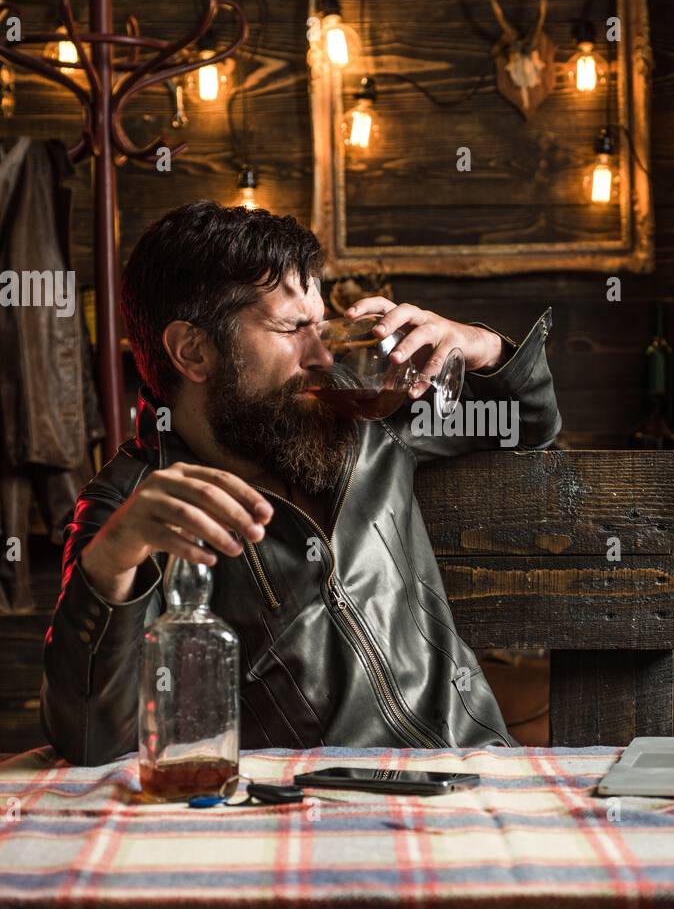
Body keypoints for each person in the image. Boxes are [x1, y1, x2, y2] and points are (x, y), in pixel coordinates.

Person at [41, 200, 561, 765]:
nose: (322, 353)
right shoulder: (130, 507)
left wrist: (484, 346)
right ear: (193, 351)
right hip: (312, 807)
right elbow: (90, 739)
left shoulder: (367, 413)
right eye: (292, 329)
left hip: (472, 765)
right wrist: (112, 561)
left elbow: (528, 423)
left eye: (321, 325)